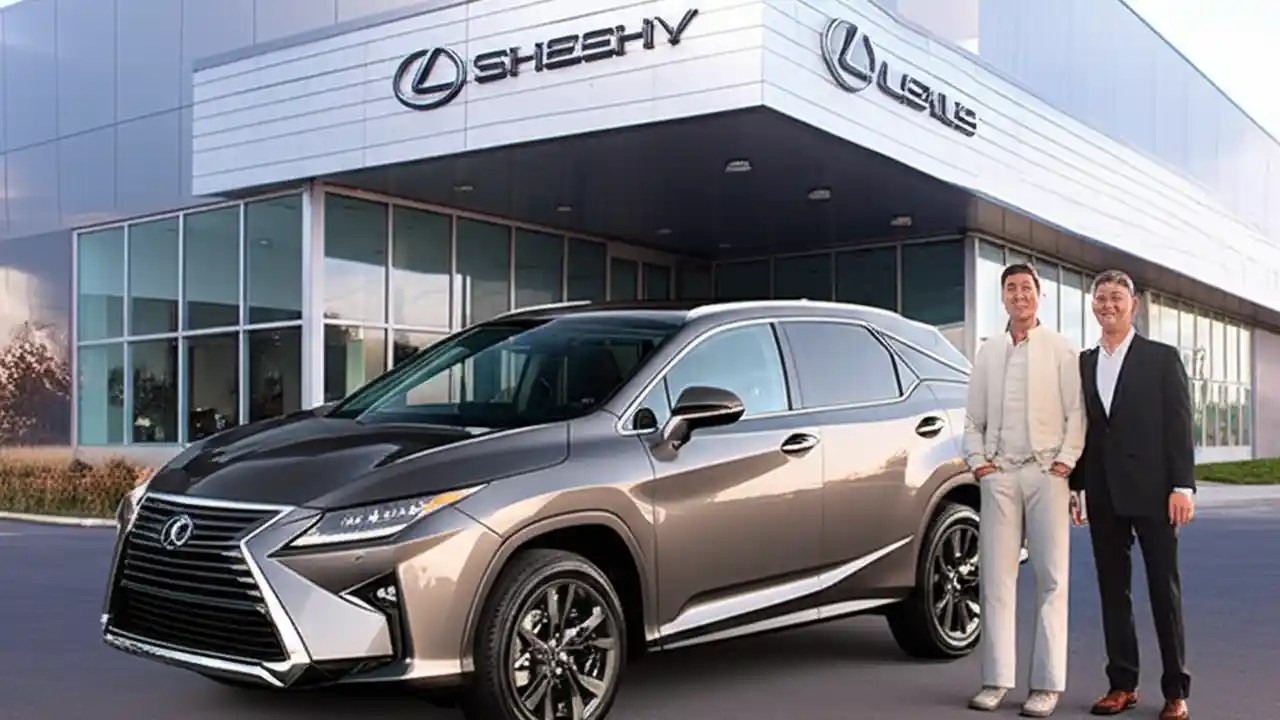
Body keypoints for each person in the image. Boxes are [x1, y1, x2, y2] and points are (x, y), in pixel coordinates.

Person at [1070, 270, 1195, 720]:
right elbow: (1083, 428)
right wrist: (1078, 486)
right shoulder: (1084, 362)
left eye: (1117, 297)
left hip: (1155, 494)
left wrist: (1182, 486)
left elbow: (1179, 425)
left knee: (1164, 591)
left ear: (1133, 305)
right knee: (1113, 591)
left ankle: (1176, 691)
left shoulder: (1161, 358)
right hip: (1103, 493)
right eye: (1101, 297)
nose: (1109, 304)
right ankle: (1122, 684)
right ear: (1093, 305)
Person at [963, 262, 1086, 717]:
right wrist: (979, 464)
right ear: (1003, 297)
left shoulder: (1060, 348)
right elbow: (973, 419)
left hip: (1045, 474)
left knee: (1052, 580)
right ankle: (996, 680)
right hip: (999, 475)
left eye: (1027, 288)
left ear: (1039, 295)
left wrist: (1065, 461)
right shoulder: (989, 351)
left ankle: (1047, 686)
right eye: (1011, 288)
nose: (1020, 295)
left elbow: (1077, 413)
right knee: (996, 578)